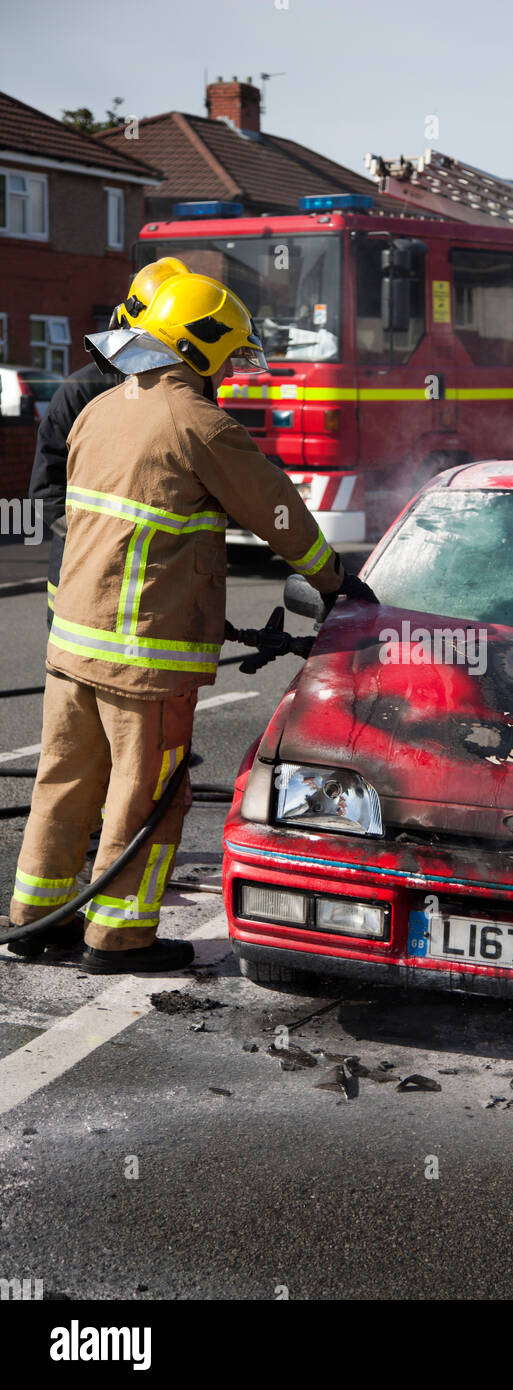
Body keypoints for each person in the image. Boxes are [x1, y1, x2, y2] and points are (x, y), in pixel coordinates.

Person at [2, 272, 375, 973]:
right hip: (144, 652)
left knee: (64, 779)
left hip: (72, 638)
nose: (233, 375)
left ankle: (33, 921)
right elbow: (277, 513)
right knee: (144, 792)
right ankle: (120, 939)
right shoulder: (198, 424)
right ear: (199, 348)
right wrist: (335, 579)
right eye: (230, 357)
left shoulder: (103, 407)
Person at [30, 258, 191, 623]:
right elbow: (46, 493)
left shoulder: (184, 396)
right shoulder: (79, 392)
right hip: (81, 577)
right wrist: (99, 540)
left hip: (153, 587)